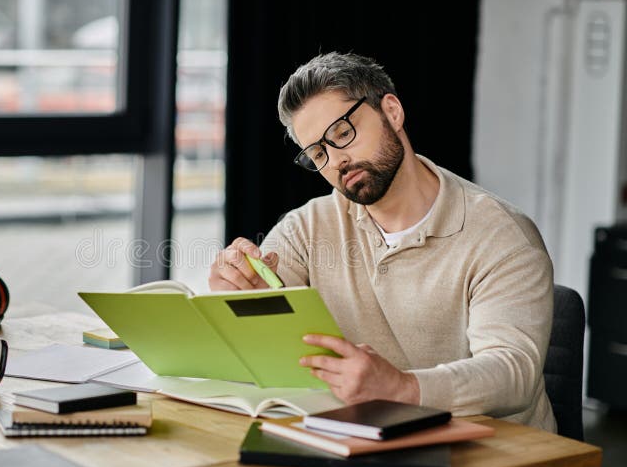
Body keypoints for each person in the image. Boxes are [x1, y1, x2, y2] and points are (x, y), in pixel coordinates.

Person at [209, 52, 556, 432]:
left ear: (391, 111)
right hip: (363, 438)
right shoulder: (307, 227)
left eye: (343, 133)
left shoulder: (501, 234)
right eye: (319, 153)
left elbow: (513, 374)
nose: (337, 160)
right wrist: (243, 297)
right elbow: (267, 339)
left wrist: (402, 387)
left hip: (494, 456)